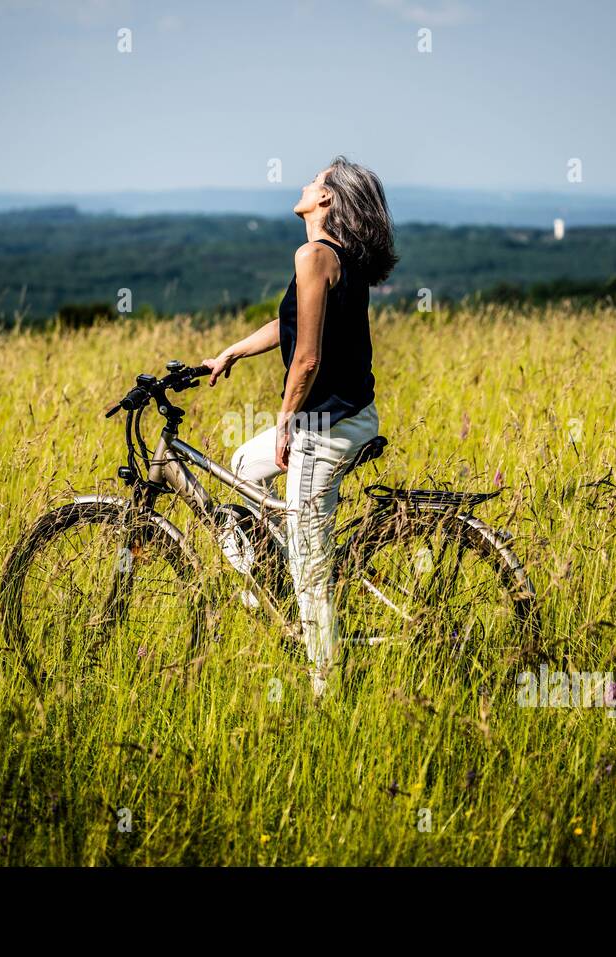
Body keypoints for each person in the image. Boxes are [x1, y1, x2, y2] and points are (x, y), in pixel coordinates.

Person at [202, 155, 398, 699]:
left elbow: (306, 358)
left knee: (310, 568)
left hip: (325, 427)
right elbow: (293, 323)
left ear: (327, 199)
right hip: (351, 417)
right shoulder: (333, 257)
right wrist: (233, 352)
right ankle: (269, 582)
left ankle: (325, 688)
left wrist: (286, 423)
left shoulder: (314, 254)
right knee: (242, 467)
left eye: (315, 180)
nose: (306, 183)